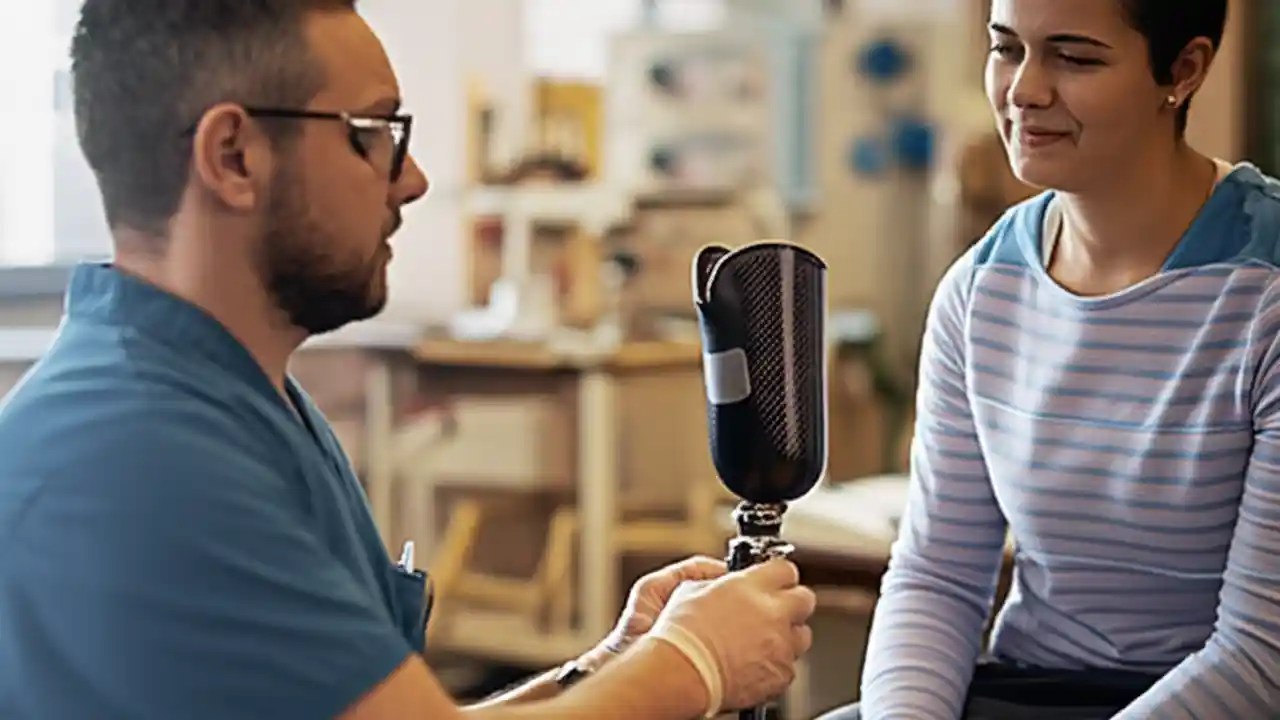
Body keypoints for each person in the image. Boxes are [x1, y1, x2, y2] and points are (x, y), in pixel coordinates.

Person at [0, 1, 817, 718]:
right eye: (376, 134)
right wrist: (690, 667)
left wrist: (607, 665)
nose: (415, 180)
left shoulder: (235, 405)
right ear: (234, 158)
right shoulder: (142, 452)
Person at [823, 0, 1280, 718]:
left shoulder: (1264, 293)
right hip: (1029, 686)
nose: (1024, 90)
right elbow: (937, 579)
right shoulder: (980, 292)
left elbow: (1262, 657)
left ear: (1184, 71)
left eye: (1075, 57)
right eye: (1006, 49)